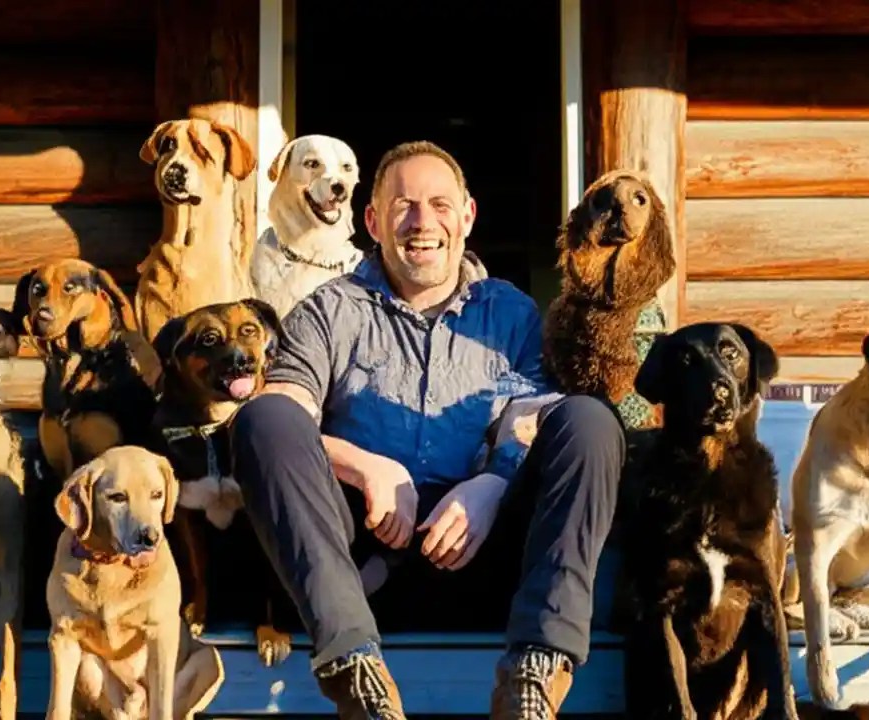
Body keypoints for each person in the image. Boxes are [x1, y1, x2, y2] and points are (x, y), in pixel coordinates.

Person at [229, 140, 625, 720]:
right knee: (262, 417)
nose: (422, 223)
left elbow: (528, 413)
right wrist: (363, 466)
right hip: (358, 570)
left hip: (485, 558)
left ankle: (535, 675)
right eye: (403, 205)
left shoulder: (510, 312)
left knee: (588, 419)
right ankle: (356, 678)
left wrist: (493, 483)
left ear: (466, 216)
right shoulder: (327, 310)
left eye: (439, 204)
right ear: (371, 220)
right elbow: (287, 410)